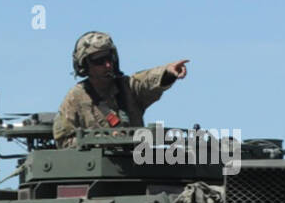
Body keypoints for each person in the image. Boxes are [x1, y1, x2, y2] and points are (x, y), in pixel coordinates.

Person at [52, 31, 188, 148]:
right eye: (99, 60)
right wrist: (99, 141)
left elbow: (147, 82)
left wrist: (168, 73)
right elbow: (63, 141)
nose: (107, 65)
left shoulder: (128, 88)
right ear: (84, 64)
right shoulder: (76, 98)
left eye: (109, 58)